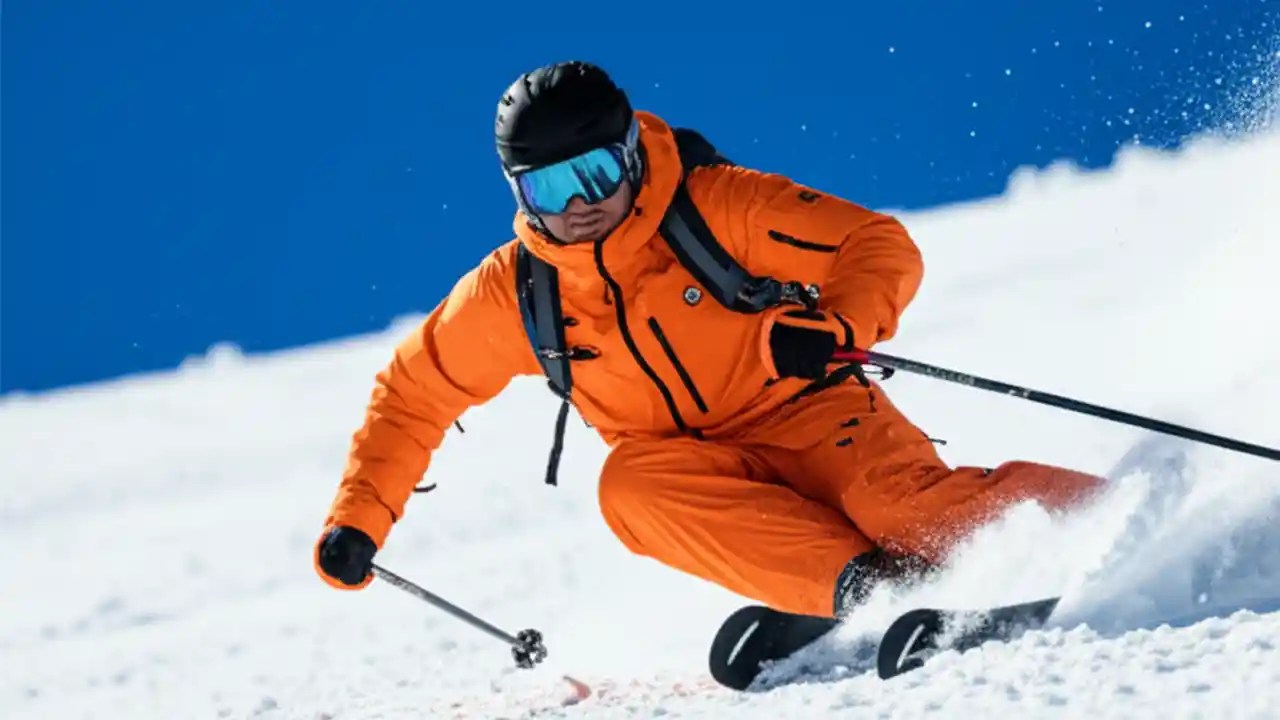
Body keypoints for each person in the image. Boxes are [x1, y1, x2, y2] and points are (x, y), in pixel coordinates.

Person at [313, 60, 1105, 619]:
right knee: (630, 489)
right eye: (546, 189)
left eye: (590, 174)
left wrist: (835, 327)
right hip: (696, 465)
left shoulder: (713, 208)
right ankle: (871, 594)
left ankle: (1110, 518)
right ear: (518, 192)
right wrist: (358, 521)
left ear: (627, 153)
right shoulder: (520, 292)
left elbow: (876, 244)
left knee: (897, 508)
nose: (577, 206)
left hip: (811, 413)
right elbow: (412, 396)